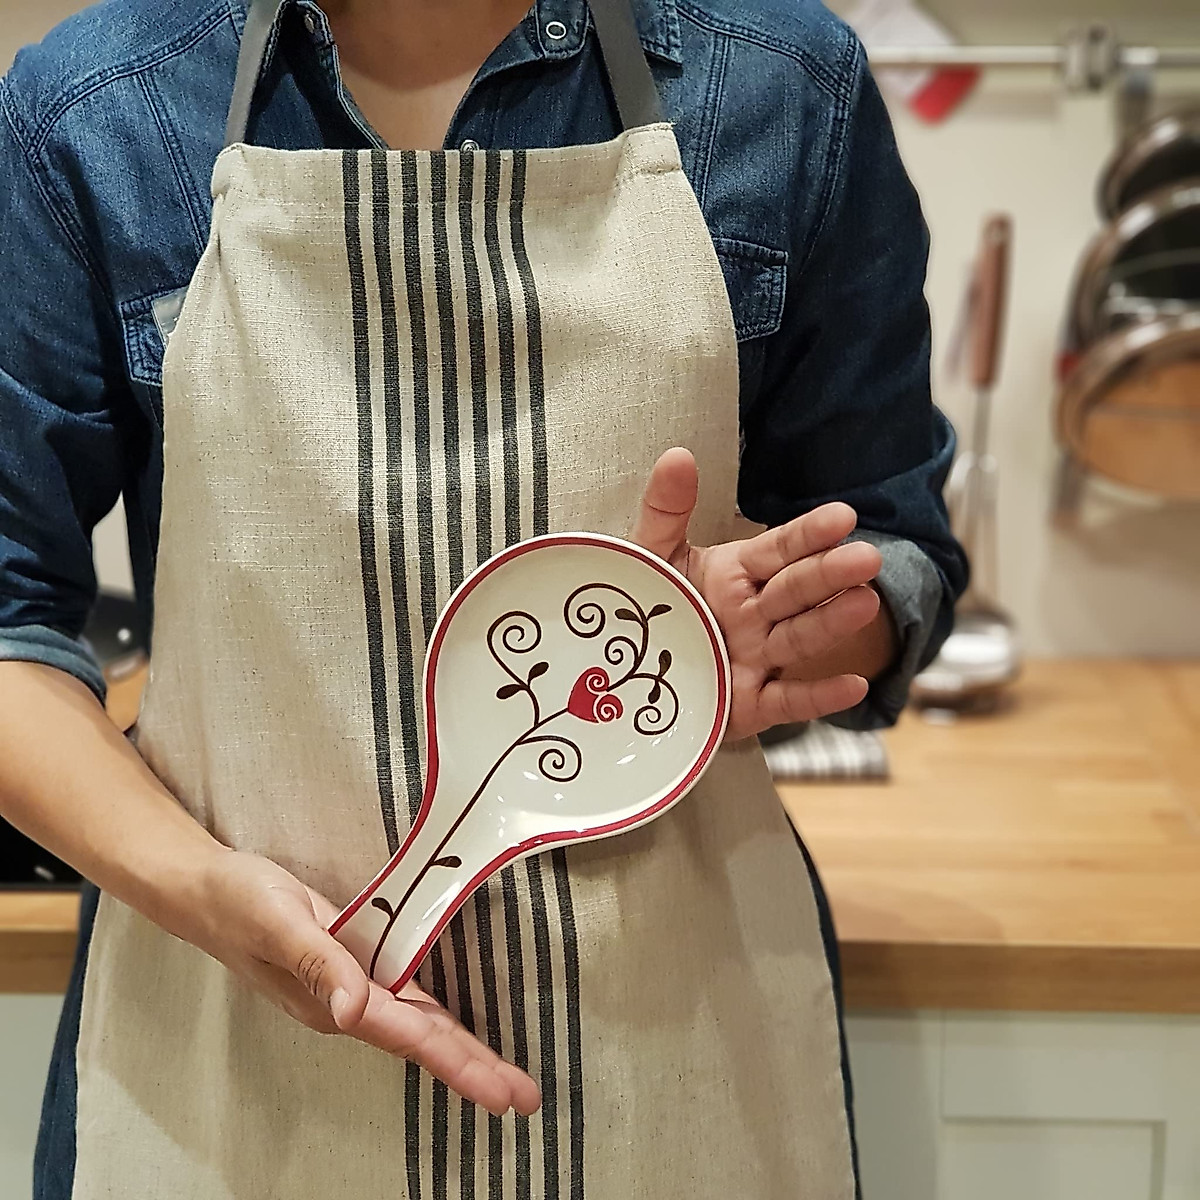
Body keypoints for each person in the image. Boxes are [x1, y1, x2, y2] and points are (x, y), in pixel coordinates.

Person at [0, 0, 965, 1195]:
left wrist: (786, 621)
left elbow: (893, 540)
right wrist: (200, 891)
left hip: (676, 1047)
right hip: (219, 1046)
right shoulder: (96, 112)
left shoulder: (779, 83)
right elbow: (9, 628)